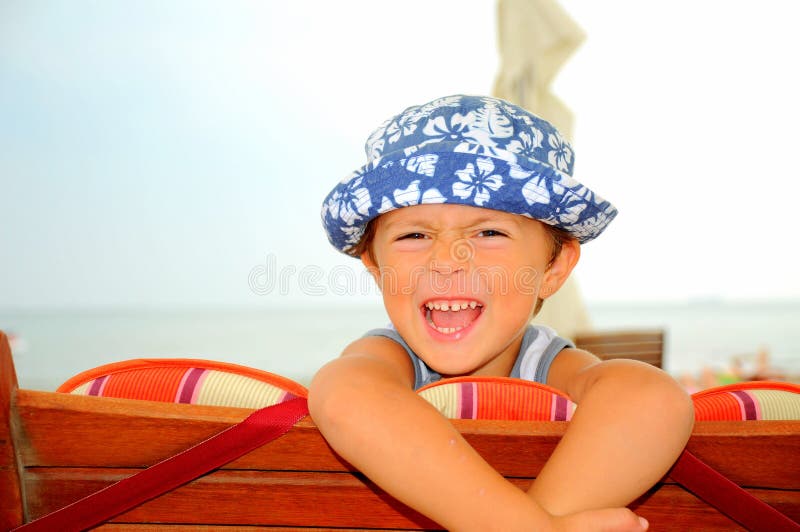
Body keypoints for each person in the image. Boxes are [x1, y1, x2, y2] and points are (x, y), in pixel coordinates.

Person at [309, 94, 694, 531]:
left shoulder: (548, 364)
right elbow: (344, 396)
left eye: (489, 232)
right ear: (377, 269)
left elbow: (652, 398)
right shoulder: (389, 358)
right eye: (414, 235)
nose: (447, 260)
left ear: (553, 267)